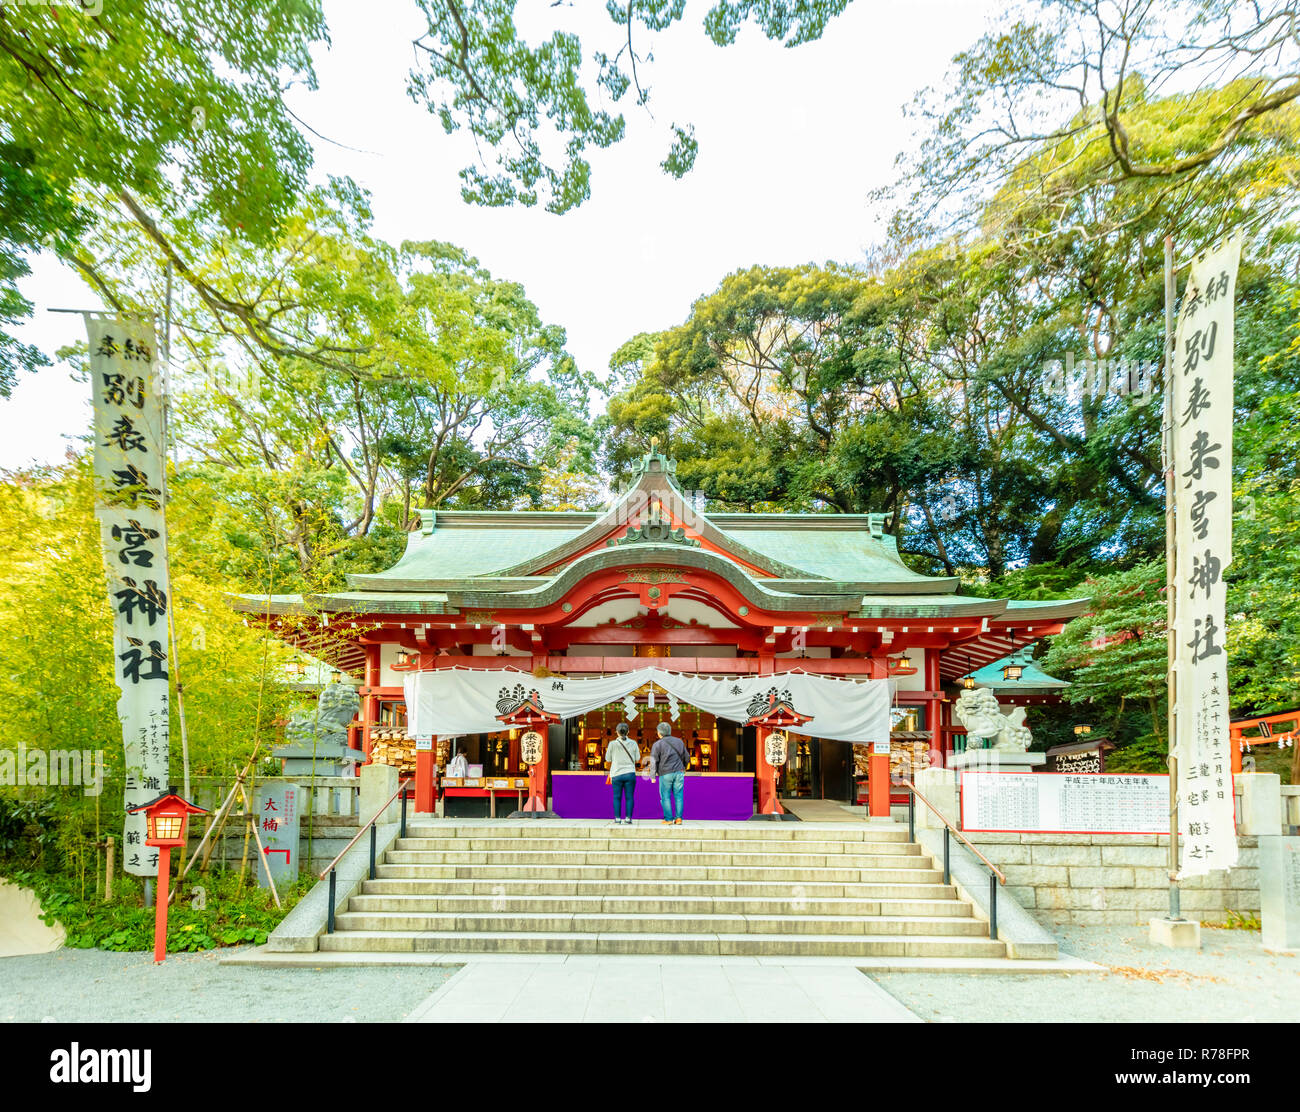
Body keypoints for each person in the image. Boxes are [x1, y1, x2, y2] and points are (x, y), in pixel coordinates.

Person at [649, 721, 689, 824]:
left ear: (659, 733)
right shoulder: (679, 742)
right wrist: (683, 768)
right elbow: (687, 757)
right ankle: (679, 818)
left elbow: (653, 761)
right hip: (679, 772)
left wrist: (652, 776)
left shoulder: (657, 744)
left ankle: (668, 819)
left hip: (665, 773)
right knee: (679, 796)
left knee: (665, 796)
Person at [606, 722, 640, 825]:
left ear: (617, 732)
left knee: (617, 797)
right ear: (628, 732)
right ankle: (628, 818)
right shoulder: (633, 743)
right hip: (630, 773)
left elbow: (607, 759)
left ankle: (617, 818)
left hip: (616, 773)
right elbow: (638, 759)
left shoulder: (612, 744)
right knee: (629, 797)